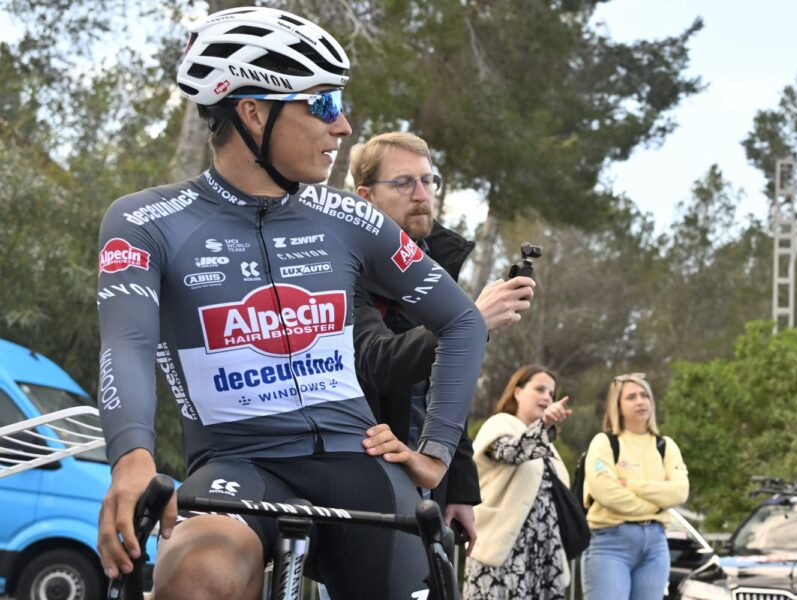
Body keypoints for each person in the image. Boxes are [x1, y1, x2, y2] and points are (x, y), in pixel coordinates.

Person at [94, 7, 487, 599]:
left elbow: (463, 321)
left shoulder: (348, 217)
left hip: (360, 462)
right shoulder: (147, 221)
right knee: (196, 577)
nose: (343, 126)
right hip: (237, 463)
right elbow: (126, 344)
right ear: (253, 112)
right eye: (323, 103)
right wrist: (131, 460)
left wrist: (435, 451)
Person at [350, 132, 537, 551]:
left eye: (428, 180)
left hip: (431, 484)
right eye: (403, 183)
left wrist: (459, 488)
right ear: (366, 197)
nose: (421, 195)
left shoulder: (438, 265)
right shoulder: (341, 266)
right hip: (365, 475)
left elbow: (448, 386)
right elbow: (377, 364)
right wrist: (470, 322)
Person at [464, 364, 573, 599]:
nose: (547, 397)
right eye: (540, 389)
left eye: (551, 393)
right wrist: (544, 425)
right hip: (503, 554)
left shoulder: (548, 445)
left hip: (545, 555)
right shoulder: (500, 424)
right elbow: (511, 452)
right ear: (517, 392)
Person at [582, 372, 689, 599]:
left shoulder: (666, 446)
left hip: (656, 545)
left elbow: (680, 491)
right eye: (631, 397)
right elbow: (606, 494)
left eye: (644, 395)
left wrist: (630, 484)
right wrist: (657, 504)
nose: (640, 401)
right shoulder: (604, 443)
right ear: (618, 406)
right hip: (610, 544)